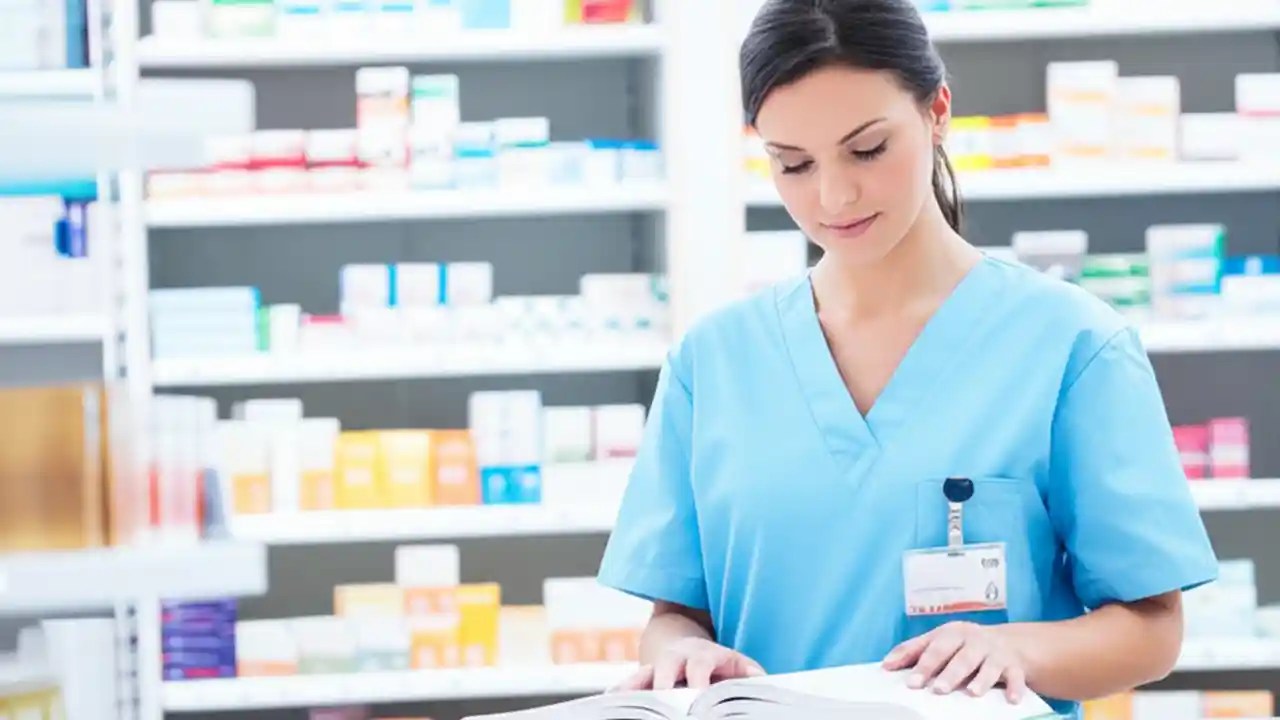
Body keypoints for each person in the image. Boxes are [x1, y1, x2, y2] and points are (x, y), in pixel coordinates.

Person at [595, 0, 1220, 717]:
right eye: (791, 164)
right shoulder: (712, 365)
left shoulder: (1072, 348)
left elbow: (1151, 629)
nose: (833, 196)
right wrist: (680, 652)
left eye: (867, 150)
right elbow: (675, 616)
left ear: (937, 111)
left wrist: (1022, 650)